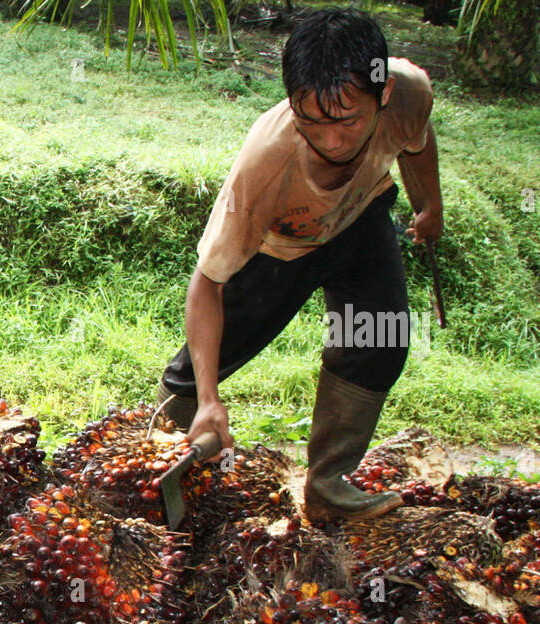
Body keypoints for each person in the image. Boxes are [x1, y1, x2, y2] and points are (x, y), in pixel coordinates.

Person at [156, 7, 443, 523]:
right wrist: (208, 397)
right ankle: (149, 454)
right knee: (201, 365)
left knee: (378, 340)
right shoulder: (265, 162)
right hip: (279, 248)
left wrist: (430, 206)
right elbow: (207, 285)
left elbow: (416, 143)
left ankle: (329, 487)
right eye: (312, 121)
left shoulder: (409, 91)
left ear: (381, 95)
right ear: (292, 103)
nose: (332, 140)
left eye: (349, 120)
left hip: (360, 218)